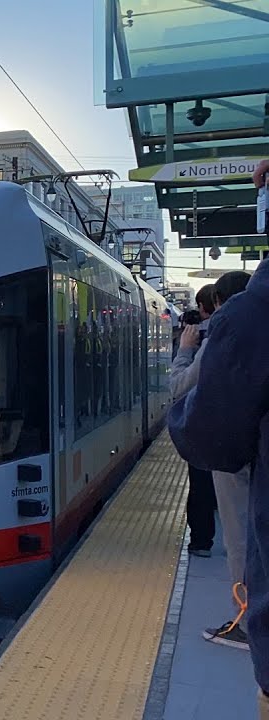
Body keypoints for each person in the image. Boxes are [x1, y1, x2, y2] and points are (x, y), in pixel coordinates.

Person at [167, 256, 269, 711]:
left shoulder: (247, 316)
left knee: (244, 533)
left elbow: (192, 404)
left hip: (245, 467)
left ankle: (246, 620)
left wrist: (187, 350)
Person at [170, 270, 253, 650]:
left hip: (231, 448)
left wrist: (185, 349)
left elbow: (178, 387)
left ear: (218, 303)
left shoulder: (225, 328)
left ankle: (246, 623)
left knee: (238, 538)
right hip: (255, 443)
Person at [176, 284, 218, 558]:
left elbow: (181, 386)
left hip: (206, 425)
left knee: (200, 483)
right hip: (240, 426)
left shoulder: (210, 337)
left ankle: (201, 541)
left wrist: (184, 350)